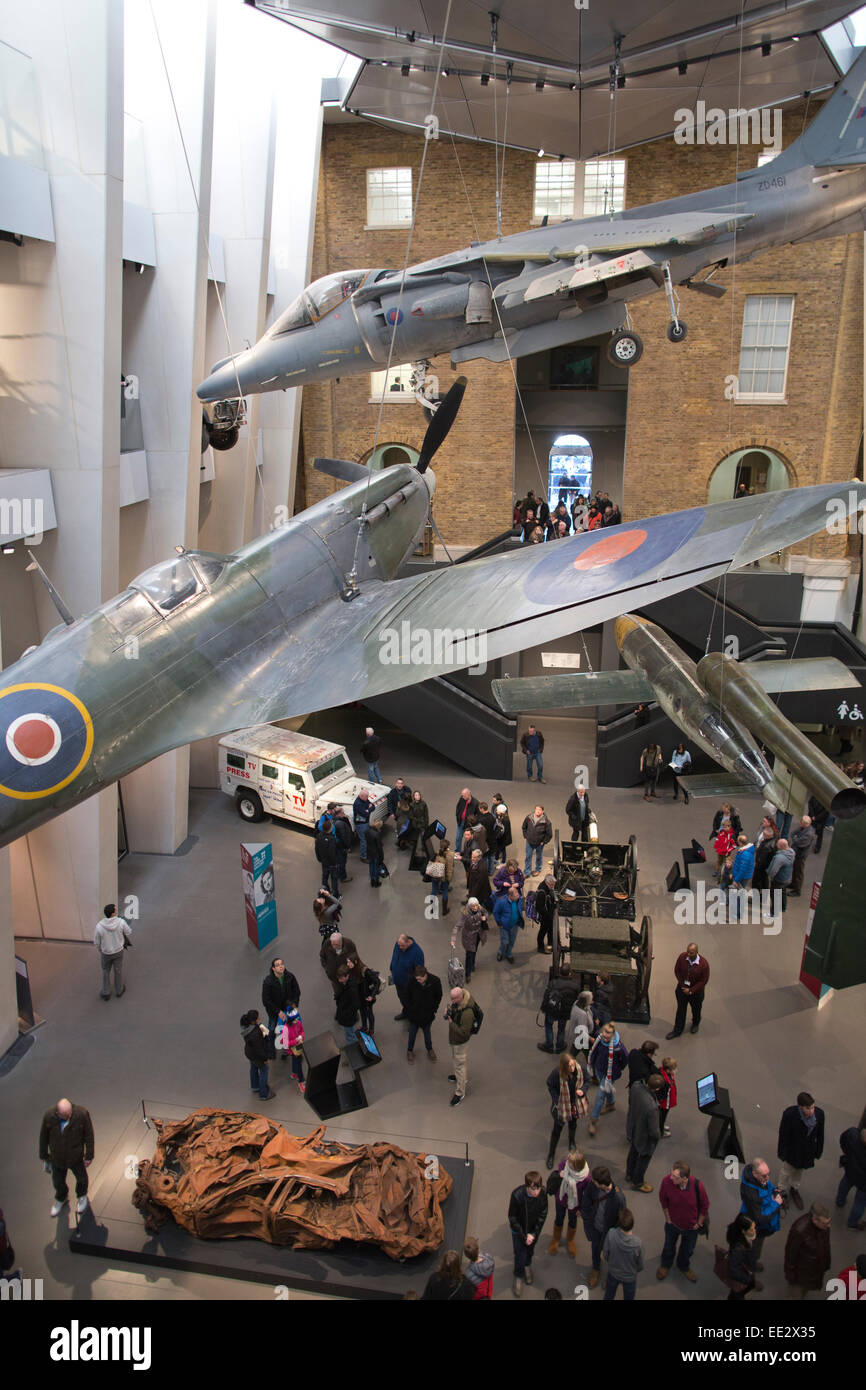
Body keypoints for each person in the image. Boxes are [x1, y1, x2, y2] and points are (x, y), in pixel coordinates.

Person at [39, 1098, 94, 1216]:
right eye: (65, 1115)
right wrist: (44, 1156)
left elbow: (89, 1135)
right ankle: (61, 1197)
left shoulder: (81, 1114)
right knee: (58, 1181)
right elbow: (43, 1137)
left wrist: (89, 1155)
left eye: (70, 1114)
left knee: (82, 1179)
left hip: (76, 1156)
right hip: (57, 1157)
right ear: (57, 1113)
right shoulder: (49, 1116)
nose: (69, 1116)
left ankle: (82, 1196)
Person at [657, 1160, 709, 1282]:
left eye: (675, 1177)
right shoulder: (666, 1182)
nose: (671, 1178)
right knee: (669, 1246)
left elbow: (704, 1205)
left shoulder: (697, 1186)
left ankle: (683, 1266)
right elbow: (663, 1200)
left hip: (691, 1228)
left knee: (687, 1249)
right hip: (672, 1224)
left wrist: (699, 1222)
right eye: (671, 1174)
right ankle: (666, 1264)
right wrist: (668, 1219)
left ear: (685, 1179)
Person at [777, 1091, 825, 1210]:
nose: (811, 1111)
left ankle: (794, 1188)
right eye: (808, 1108)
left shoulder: (819, 1114)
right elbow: (783, 1134)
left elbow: (820, 1134)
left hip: (807, 1151)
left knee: (799, 1171)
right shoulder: (790, 1114)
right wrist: (782, 1152)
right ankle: (781, 1190)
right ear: (800, 1107)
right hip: (793, 1150)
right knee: (786, 1171)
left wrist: (818, 1150)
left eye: (813, 1107)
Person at [580, 1165, 626, 1289]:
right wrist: (586, 1216)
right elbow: (586, 1200)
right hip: (595, 1229)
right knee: (595, 1249)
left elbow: (621, 1218)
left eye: (595, 1181)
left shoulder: (618, 1198)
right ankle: (596, 1268)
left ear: (602, 1184)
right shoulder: (592, 1186)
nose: (592, 1181)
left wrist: (616, 1235)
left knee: (611, 1255)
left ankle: (611, 1277)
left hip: (610, 1234)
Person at [508, 1171, 548, 1297]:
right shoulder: (517, 1195)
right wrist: (524, 1236)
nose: (536, 1192)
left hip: (533, 1232)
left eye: (538, 1188)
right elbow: (512, 1217)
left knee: (530, 1251)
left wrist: (534, 1234)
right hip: (519, 1232)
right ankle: (518, 1275)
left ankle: (527, 1266)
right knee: (519, 1254)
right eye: (533, 1189)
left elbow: (543, 1213)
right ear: (527, 1186)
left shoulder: (542, 1193)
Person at [739, 1157, 784, 1267]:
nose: (768, 1178)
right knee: (754, 1248)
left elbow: (769, 1187)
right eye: (764, 1176)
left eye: (768, 1174)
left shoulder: (759, 1180)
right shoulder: (751, 1194)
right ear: (754, 1173)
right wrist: (776, 1204)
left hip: (756, 1223)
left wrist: (774, 1191)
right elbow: (760, 1219)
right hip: (755, 1228)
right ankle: (749, 1266)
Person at [587, 1021, 629, 1136]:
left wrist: (616, 1069)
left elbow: (625, 1059)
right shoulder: (599, 1040)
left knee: (600, 1096)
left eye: (608, 1033)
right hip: (599, 1069)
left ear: (613, 1034)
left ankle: (593, 1121)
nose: (605, 1034)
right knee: (605, 1089)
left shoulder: (618, 1046)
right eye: (604, 1031)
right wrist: (592, 1064)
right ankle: (611, 1104)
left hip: (610, 1074)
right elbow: (594, 1052)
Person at [546, 1054, 587, 1169]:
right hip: (562, 1106)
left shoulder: (580, 1069)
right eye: (570, 1066)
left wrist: (583, 1090)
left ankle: (571, 1142)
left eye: (573, 1065)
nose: (572, 1068)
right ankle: (551, 1154)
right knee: (557, 1130)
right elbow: (550, 1084)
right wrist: (556, 1099)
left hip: (574, 1105)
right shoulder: (557, 1073)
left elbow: (587, 1081)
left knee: (573, 1124)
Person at [625, 1074, 664, 1192]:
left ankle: (629, 1174)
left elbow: (630, 1101)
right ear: (657, 1089)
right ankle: (638, 1182)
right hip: (644, 1136)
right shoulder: (652, 1107)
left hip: (633, 1127)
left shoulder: (636, 1087)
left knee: (633, 1151)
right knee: (644, 1159)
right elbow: (654, 1131)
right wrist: (658, 1137)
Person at [784, 1203, 831, 1299]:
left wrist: (826, 1264)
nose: (829, 1225)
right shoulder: (799, 1231)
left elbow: (826, 1246)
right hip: (800, 1275)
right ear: (815, 1220)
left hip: (814, 1271)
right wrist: (791, 1277)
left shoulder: (824, 1227)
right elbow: (790, 1255)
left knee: (806, 1290)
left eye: (829, 1222)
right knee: (796, 1295)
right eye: (825, 1223)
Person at [549, 1149, 590, 1258]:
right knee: (559, 1218)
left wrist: (581, 1209)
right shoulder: (565, 1163)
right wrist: (560, 1174)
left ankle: (570, 1240)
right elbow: (560, 1168)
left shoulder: (585, 1178)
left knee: (573, 1221)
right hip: (561, 1198)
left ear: (577, 1167)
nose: (567, 1162)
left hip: (575, 1204)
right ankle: (556, 1238)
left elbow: (587, 1195)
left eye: (570, 1163)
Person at [665, 942, 709, 1039]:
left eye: (691, 953)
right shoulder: (682, 957)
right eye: (688, 952)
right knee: (681, 1010)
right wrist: (683, 986)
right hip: (682, 990)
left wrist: (691, 990)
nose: (688, 954)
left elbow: (703, 981)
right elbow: (677, 971)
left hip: (696, 993)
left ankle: (695, 1023)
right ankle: (677, 1030)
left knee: (696, 1009)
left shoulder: (704, 964)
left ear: (697, 952)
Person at [261, 957, 301, 1054]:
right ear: (273, 969)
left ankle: (287, 1049)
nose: (281, 966)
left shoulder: (290, 977)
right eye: (277, 965)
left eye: (282, 964)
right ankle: (271, 1049)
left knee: (289, 1029)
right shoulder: (268, 982)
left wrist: (294, 1004)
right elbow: (266, 1000)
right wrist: (278, 1011)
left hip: (288, 1009)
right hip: (274, 1012)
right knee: (272, 1028)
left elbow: (297, 992)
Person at [603, 1208, 644, 1301]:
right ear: (632, 1224)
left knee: (609, 1295)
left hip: (613, 1273)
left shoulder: (611, 1234)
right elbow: (640, 1265)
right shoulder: (638, 1243)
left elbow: (605, 1254)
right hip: (629, 1277)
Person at [93, 903, 132, 1000]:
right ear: (112, 913)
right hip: (118, 951)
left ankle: (106, 992)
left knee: (106, 970)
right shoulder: (121, 922)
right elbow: (128, 931)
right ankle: (119, 990)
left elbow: (96, 942)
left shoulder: (99, 926)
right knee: (118, 970)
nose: (116, 911)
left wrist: (100, 950)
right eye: (115, 910)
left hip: (106, 953)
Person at [445, 985, 476, 1106]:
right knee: (458, 1063)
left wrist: (451, 1023)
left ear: (460, 997)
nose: (452, 1001)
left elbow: (464, 1033)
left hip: (460, 1042)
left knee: (459, 1064)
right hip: (455, 1040)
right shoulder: (459, 1003)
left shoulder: (467, 1013)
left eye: (454, 999)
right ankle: (461, 1078)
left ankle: (460, 1092)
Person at [404, 964, 442, 1062]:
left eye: (420, 979)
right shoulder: (411, 980)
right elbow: (406, 996)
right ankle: (409, 1050)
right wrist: (410, 1010)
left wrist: (434, 1008)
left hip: (427, 1014)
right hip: (414, 1014)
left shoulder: (435, 981)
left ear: (425, 975)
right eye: (416, 979)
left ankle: (429, 1049)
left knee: (427, 1033)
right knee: (412, 1033)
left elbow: (439, 996)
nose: (418, 981)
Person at [240, 1010, 276, 1102]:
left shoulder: (246, 1027)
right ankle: (264, 1094)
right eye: (257, 1017)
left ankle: (255, 1086)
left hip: (249, 1053)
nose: (259, 1018)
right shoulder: (255, 1033)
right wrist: (265, 1059)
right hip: (257, 1055)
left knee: (253, 1067)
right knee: (264, 1070)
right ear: (253, 1021)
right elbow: (259, 1049)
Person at [451, 898, 488, 983]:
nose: (475, 907)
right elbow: (457, 927)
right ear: (469, 906)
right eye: (473, 906)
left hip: (478, 934)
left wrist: (484, 917)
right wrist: (453, 939)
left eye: (476, 905)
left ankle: (472, 964)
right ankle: (468, 974)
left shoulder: (480, 908)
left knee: (474, 951)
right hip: (469, 937)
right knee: (469, 955)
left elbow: (486, 913)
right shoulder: (465, 915)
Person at [724, 1214, 761, 1300]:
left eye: (754, 1227)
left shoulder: (742, 1237)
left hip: (746, 1271)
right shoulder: (738, 1250)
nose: (754, 1231)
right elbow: (733, 1270)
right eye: (751, 1229)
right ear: (743, 1231)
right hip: (742, 1279)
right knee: (736, 1296)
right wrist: (748, 1279)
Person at [836, 1125, 866, 1229]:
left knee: (845, 1183)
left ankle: (840, 1201)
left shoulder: (853, 1135)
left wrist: (846, 1152)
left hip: (851, 1169)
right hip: (864, 1182)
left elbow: (843, 1139)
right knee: (860, 1201)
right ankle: (852, 1222)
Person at [390, 934, 424, 1019]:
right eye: (399, 945)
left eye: (403, 946)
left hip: (408, 984)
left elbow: (419, 971)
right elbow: (394, 956)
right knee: (402, 999)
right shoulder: (398, 945)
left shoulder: (417, 952)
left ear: (409, 942)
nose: (400, 947)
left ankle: (413, 1019)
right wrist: (392, 968)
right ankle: (406, 1012)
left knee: (411, 1001)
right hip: (398, 980)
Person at [276, 1004, 306, 1093]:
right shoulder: (285, 1029)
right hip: (292, 1048)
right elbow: (285, 1044)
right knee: (298, 1062)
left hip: (297, 1046)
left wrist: (301, 1037)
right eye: (295, 1019)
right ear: (290, 1019)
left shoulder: (298, 1023)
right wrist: (295, 1041)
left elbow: (302, 1031)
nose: (298, 1020)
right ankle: (301, 1081)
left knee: (295, 1059)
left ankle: (294, 1073)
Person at [493, 885, 523, 964]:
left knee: (511, 941)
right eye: (516, 896)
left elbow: (520, 908)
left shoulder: (519, 900)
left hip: (514, 925)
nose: (518, 897)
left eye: (518, 895)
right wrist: (499, 923)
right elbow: (495, 912)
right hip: (504, 926)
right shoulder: (501, 901)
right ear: (510, 896)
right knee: (504, 942)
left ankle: (508, 954)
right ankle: (500, 952)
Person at [522, 804, 552, 877]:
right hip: (529, 842)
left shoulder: (546, 822)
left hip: (539, 843)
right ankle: (527, 872)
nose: (538, 811)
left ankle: (538, 869)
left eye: (539, 810)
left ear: (542, 811)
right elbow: (524, 827)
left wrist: (544, 842)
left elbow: (549, 834)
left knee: (539, 857)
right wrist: (526, 836)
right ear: (534, 810)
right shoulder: (529, 818)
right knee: (528, 857)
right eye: (536, 809)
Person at [788, 816, 816, 896]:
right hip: (797, 852)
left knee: (799, 872)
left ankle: (797, 890)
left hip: (801, 855)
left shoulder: (809, 834)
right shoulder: (802, 828)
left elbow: (799, 843)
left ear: (806, 824)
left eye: (802, 823)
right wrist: (796, 838)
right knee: (795, 869)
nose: (800, 824)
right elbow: (793, 833)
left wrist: (796, 838)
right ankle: (793, 884)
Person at [333, 966, 361, 1045]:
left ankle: (353, 1048)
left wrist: (346, 1014)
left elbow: (356, 1004)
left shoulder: (352, 989)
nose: (339, 980)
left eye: (341, 978)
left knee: (350, 1035)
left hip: (348, 1017)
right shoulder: (346, 983)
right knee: (350, 1032)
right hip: (345, 1013)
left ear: (347, 976)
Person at [315, 818, 341, 898]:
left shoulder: (319, 836)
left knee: (325, 877)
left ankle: (325, 891)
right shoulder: (332, 839)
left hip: (324, 861)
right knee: (334, 879)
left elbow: (316, 849)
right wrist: (335, 863)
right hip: (332, 863)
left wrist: (319, 858)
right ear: (330, 828)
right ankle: (335, 895)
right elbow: (332, 853)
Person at [767, 837, 795, 910]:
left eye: (777, 844)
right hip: (786, 878)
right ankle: (783, 907)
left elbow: (773, 870)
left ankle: (773, 913)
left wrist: (771, 876)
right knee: (783, 892)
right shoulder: (791, 852)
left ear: (780, 846)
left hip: (778, 880)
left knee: (774, 895)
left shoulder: (779, 858)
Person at [428, 837, 454, 916]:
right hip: (445, 877)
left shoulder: (437, 853)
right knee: (445, 891)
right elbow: (450, 868)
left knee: (434, 890)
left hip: (436, 875)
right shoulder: (451, 855)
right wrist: (449, 878)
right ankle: (444, 910)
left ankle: (432, 909)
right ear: (448, 847)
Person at [332, 807, 353, 884]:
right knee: (342, 862)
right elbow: (344, 837)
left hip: (338, 846)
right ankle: (343, 877)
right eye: (343, 812)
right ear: (339, 814)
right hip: (341, 847)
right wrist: (347, 846)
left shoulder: (335, 820)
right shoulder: (340, 824)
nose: (344, 813)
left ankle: (338, 874)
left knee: (339, 861)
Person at [352, 787, 374, 862]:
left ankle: (366, 853)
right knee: (363, 840)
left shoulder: (364, 799)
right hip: (360, 825)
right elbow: (365, 815)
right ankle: (363, 857)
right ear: (361, 796)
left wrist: (368, 810)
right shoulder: (358, 804)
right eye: (366, 797)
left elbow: (373, 806)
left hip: (365, 822)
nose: (368, 798)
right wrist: (368, 809)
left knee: (366, 839)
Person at [658, 1056, 678, 1136]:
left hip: (666, 1103)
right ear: (668, 1070)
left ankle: (661, 1126)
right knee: (661, 1118)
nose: (676, 1070)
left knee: (661, 1118)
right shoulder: (666, 1081)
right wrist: (667, 1105)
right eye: (674, 1069)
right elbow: (664, 1094)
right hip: (664, 1104)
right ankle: (660, 1132)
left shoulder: (665, 1073)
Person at [365, 819, 386, 886]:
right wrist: (382, 857)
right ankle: (376, 881)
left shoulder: (367, 831)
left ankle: (372, 880)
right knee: (376, 867)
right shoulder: (377, 834)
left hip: (369, 851)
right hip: (376, 853)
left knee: (371, 866)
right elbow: (379, 847)